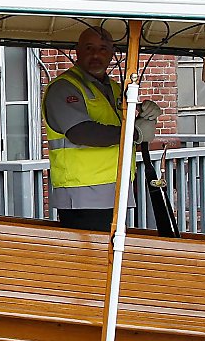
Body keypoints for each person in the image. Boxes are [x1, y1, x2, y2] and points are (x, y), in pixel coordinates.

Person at [43, 26, 156, 231]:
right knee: (89, 261)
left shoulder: (113, 88)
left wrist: (143, 113)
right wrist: (134, 133)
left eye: (103, 49)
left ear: (112, 53)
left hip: (114, 192)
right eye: (89, 48)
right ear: (77, 51)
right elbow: (81, 132)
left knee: (109, 258)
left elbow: (116, 122)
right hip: (81, 196)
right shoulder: (64, 87)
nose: (96, 54)